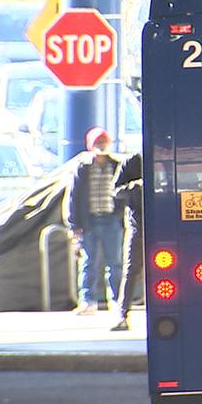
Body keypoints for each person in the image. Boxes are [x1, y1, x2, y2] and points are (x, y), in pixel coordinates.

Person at [64, 128, 125, 315]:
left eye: (104, 142)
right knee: (88, 263)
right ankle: (88, 301)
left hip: (111, 220)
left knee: (114, 263)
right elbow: (74, 197)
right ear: (91, 145)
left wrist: (121, 215)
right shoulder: (83, 168)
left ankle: (117, 300)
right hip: (89, 221)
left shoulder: (117, 166)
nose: (101, 146)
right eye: (98, 142)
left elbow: (125, 191)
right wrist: (74, 225)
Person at [110, 152, 143, 332]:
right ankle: (122, 315)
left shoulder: (166, 155)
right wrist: (135, 187)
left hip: (166, 224)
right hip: (138, 226)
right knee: (131, 270)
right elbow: (116, 191)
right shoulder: (132, 162)